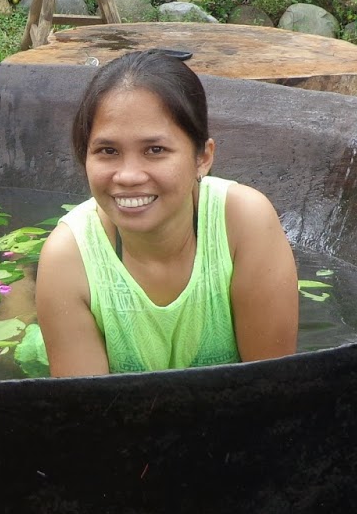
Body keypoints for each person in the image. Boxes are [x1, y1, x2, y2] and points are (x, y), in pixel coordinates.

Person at [31, 49, 300, 376]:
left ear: (202, 157)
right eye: (107, 151)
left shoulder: (243, 224)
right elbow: (91, 420)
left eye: (155, 150)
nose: (128, 176)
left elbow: (271, 388)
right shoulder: (68, 258)